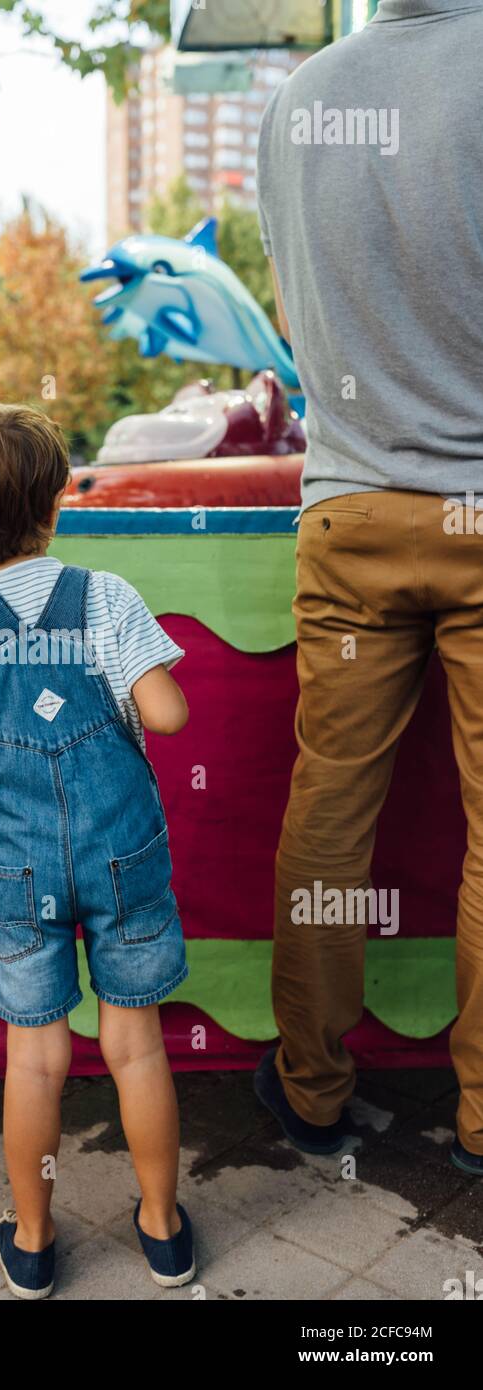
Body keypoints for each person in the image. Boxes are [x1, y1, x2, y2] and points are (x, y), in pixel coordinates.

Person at [254, 0, 483, 1174]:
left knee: (331, 817)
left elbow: (296, 319)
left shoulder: (296, 103)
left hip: (346, 509)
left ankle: (311, 1085)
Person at [0, 402, 195, 1297]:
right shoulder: (106, 597)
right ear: (57, 500)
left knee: (35, 1056)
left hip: (19, 871)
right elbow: (170, 715)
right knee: (135, 1046)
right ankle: (162, 1231)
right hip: (124, 856)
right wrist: (144, 690)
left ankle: (30, 1241)